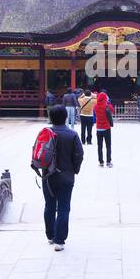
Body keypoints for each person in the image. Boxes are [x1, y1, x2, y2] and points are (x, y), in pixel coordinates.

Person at [39, 105, 85, 251]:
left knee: (49, 205)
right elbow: (79, 155)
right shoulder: (72, 135)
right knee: (64, 207)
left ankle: (51, 235)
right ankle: (59, 240)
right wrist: (74, 169)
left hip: (47, 175)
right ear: (66, 117)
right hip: (66, 175)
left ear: (50, 117)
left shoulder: (45, 133)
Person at [94, 88, 114, 167]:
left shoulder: (96, 107)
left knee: (99, 146)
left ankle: (101, 162)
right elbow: (112, 110)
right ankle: (108, 161)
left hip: (99, 128)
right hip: (106, 128)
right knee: (108, 145)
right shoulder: (107, 106)